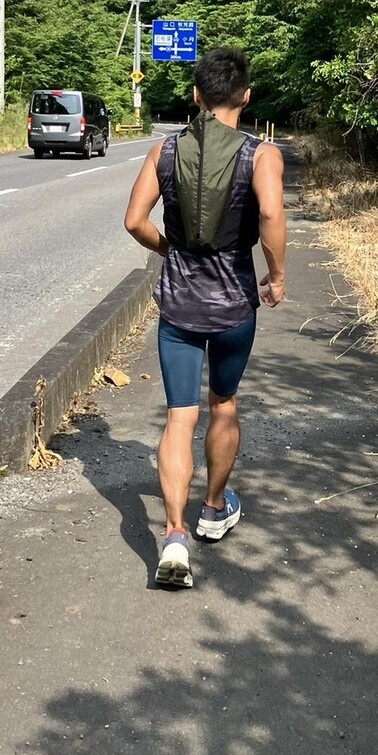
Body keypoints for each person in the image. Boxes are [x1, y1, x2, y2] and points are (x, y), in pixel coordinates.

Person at [123, 47, 286, 588]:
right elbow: (268, 214)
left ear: (196, 96)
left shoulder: (164, 150)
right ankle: (213, 509)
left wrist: (170, 248)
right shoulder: (261, 155)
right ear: (246, 96)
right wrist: (277, 274)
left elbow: (134, 221)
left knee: (179, 416)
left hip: (179, 304)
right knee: (224, 403)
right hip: (235, 303)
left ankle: (172, 535)